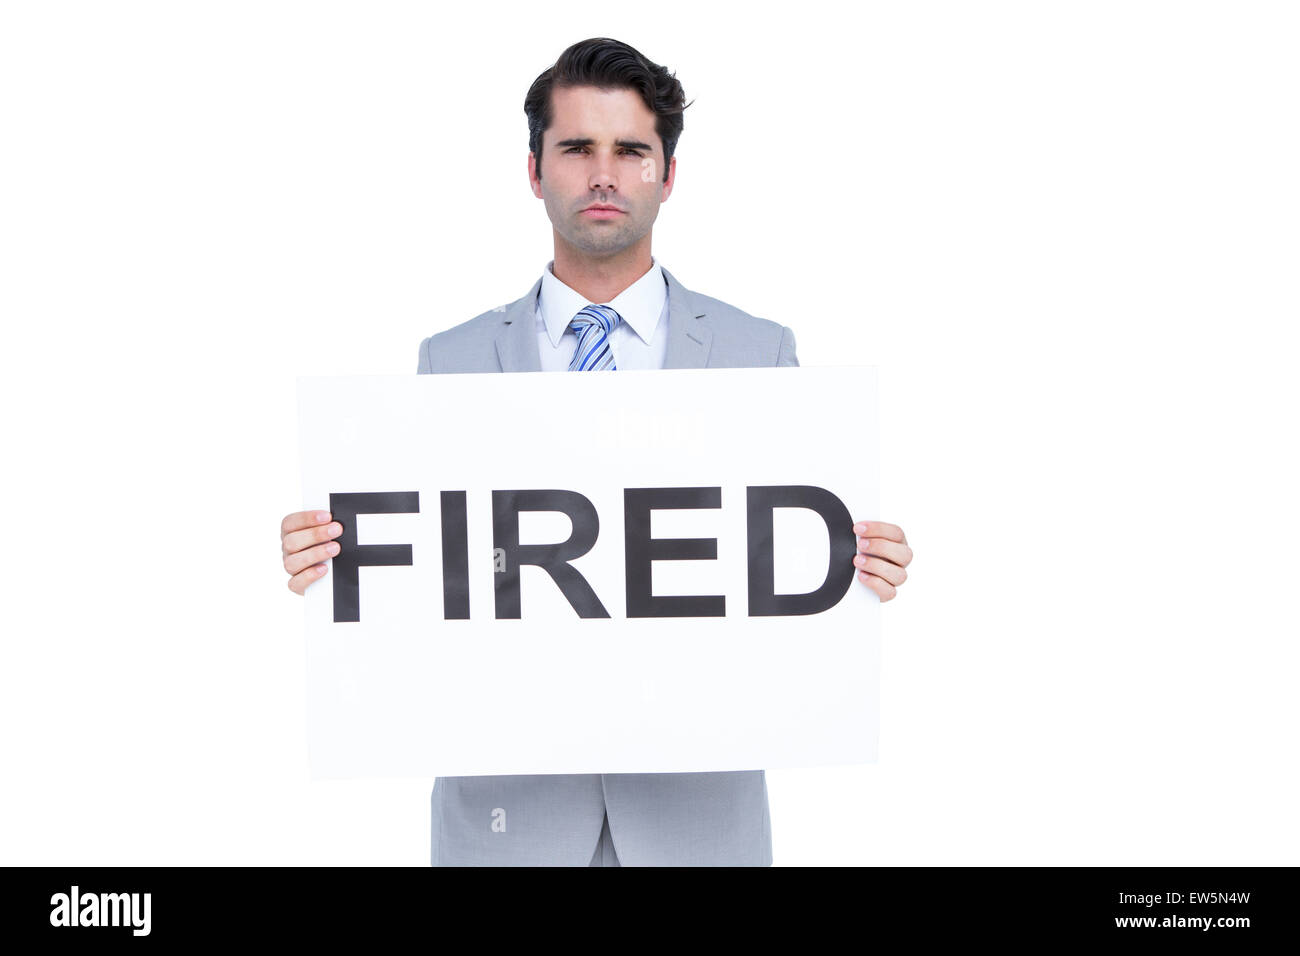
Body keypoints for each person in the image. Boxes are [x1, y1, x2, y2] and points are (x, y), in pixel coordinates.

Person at [279, 37, 913, 866]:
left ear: (669, 174)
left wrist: (857, 565)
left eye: (631, 151)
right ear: (536, 171)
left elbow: (777, 566)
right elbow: (442, 575)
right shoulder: (451, 360)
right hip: (506, 824)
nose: (604, 174)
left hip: (698, 824)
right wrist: (335, 556)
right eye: (577, 148)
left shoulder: (757, 352)